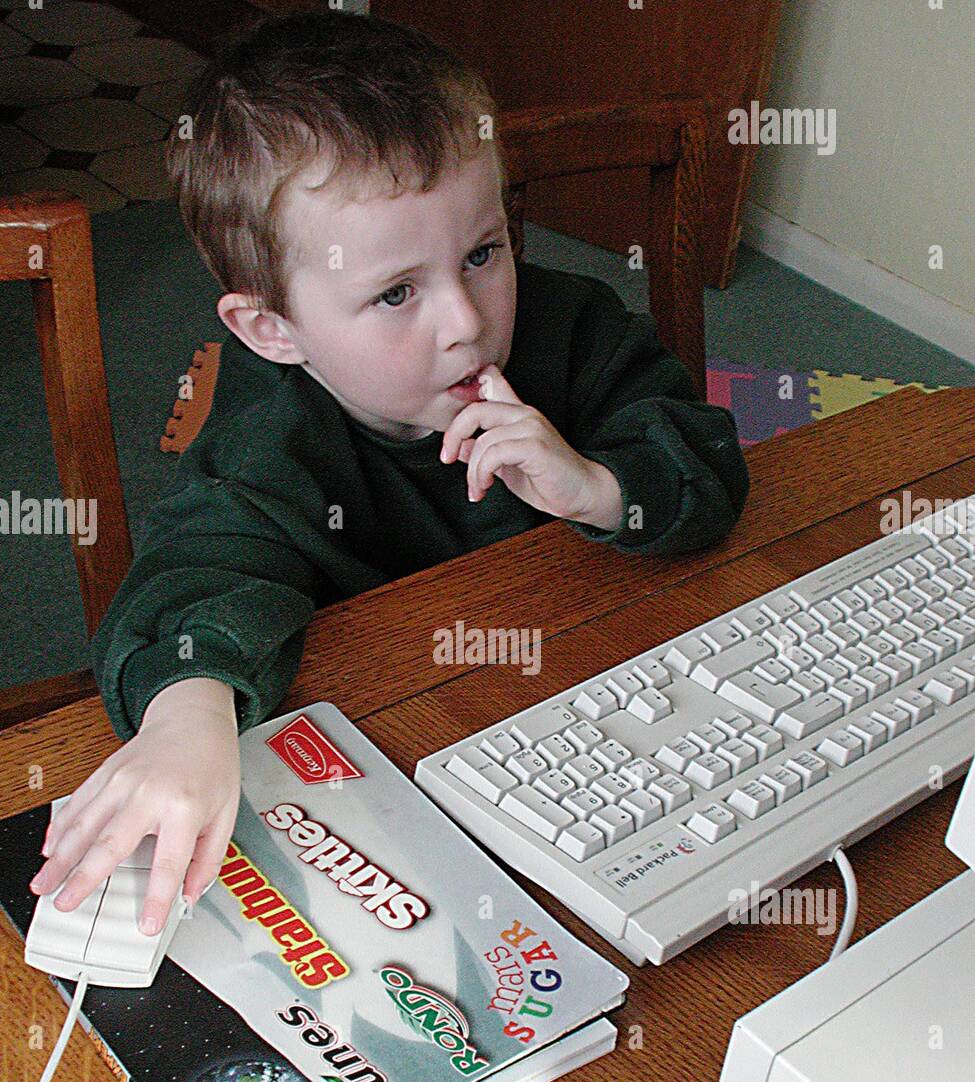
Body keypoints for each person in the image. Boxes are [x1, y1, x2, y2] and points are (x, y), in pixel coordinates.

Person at [29, 11, 749, 937]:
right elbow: (194, 574)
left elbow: (710, 462)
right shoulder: (273, 436)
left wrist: (597, 486)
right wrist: (187, 714)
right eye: (395, 292)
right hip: (405, 763)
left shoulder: (572, 329)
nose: (464, 321)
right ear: (272, 330)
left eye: (483, 253)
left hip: (606, 710)